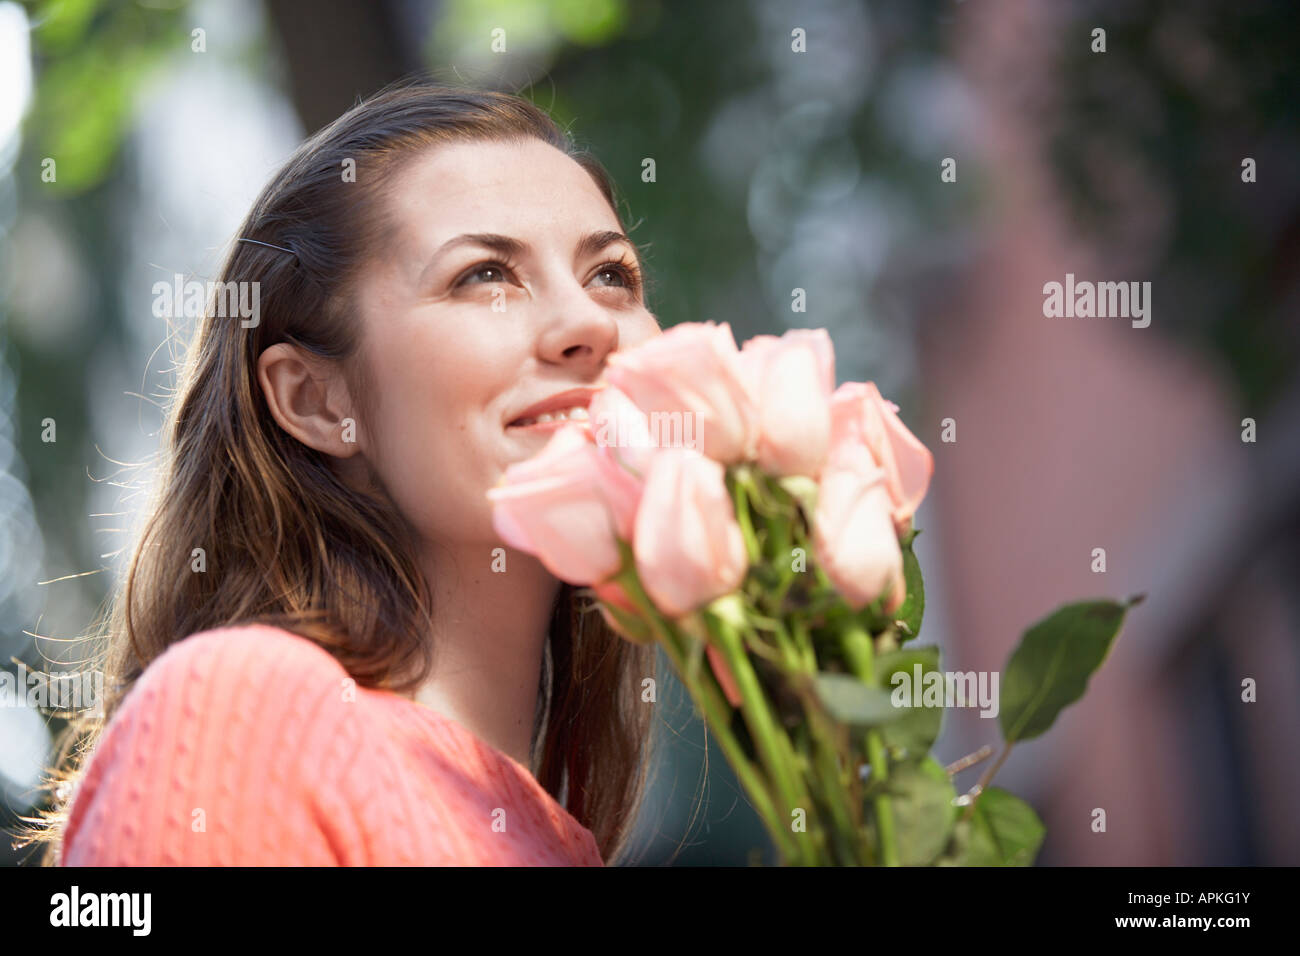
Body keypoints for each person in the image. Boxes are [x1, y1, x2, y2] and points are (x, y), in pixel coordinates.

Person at [20, 80, 663, 866]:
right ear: (317, 400)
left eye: (611, 276)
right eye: (485, 275)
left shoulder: (564, 842)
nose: (591, 323)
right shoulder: (247, 717)